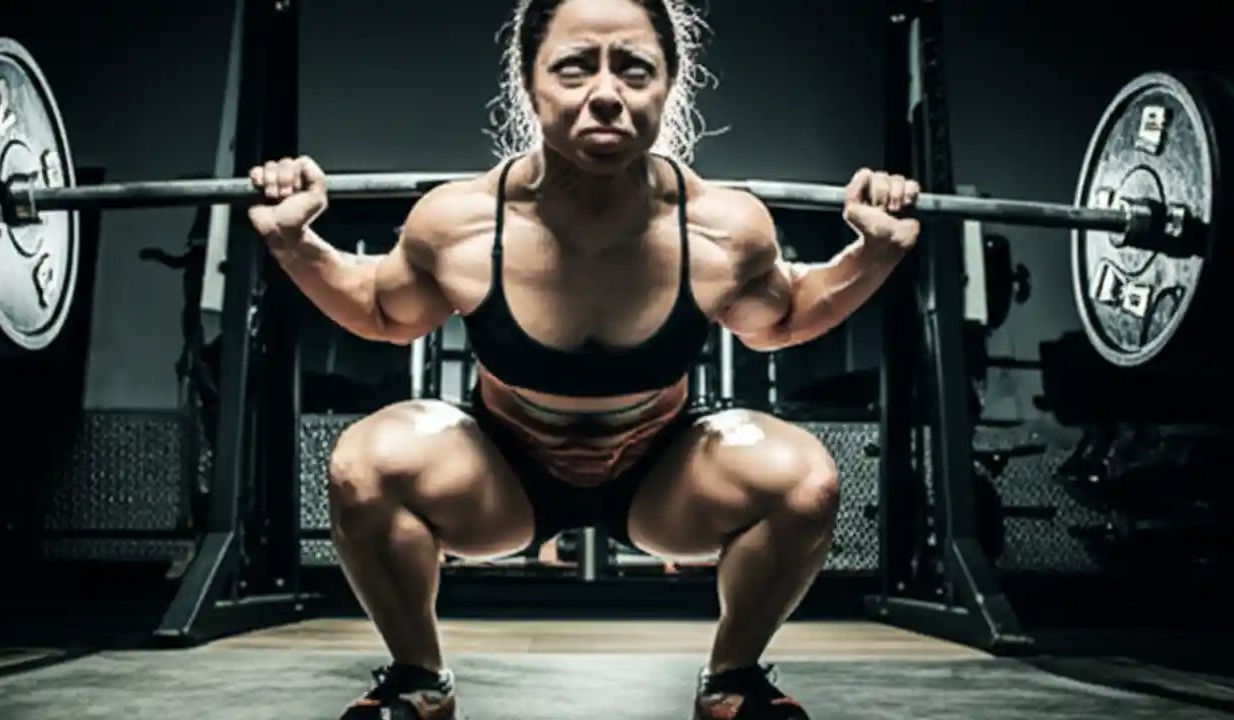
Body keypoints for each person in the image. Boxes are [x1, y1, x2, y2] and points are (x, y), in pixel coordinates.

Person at [248, 0, 920, 717]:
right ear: (530, 83)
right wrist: (293, 243)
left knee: (804, 479)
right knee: (365, 463)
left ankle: (733, 681)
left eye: (634, 69)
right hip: (503, 474)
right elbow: (382, 310)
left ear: (668, 85)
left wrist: (874, 253)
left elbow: (783, 315)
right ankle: (419, 679)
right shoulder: (460, 223)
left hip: (660, 474)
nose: (606, 94)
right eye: (574, 67)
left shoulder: (722, 227)